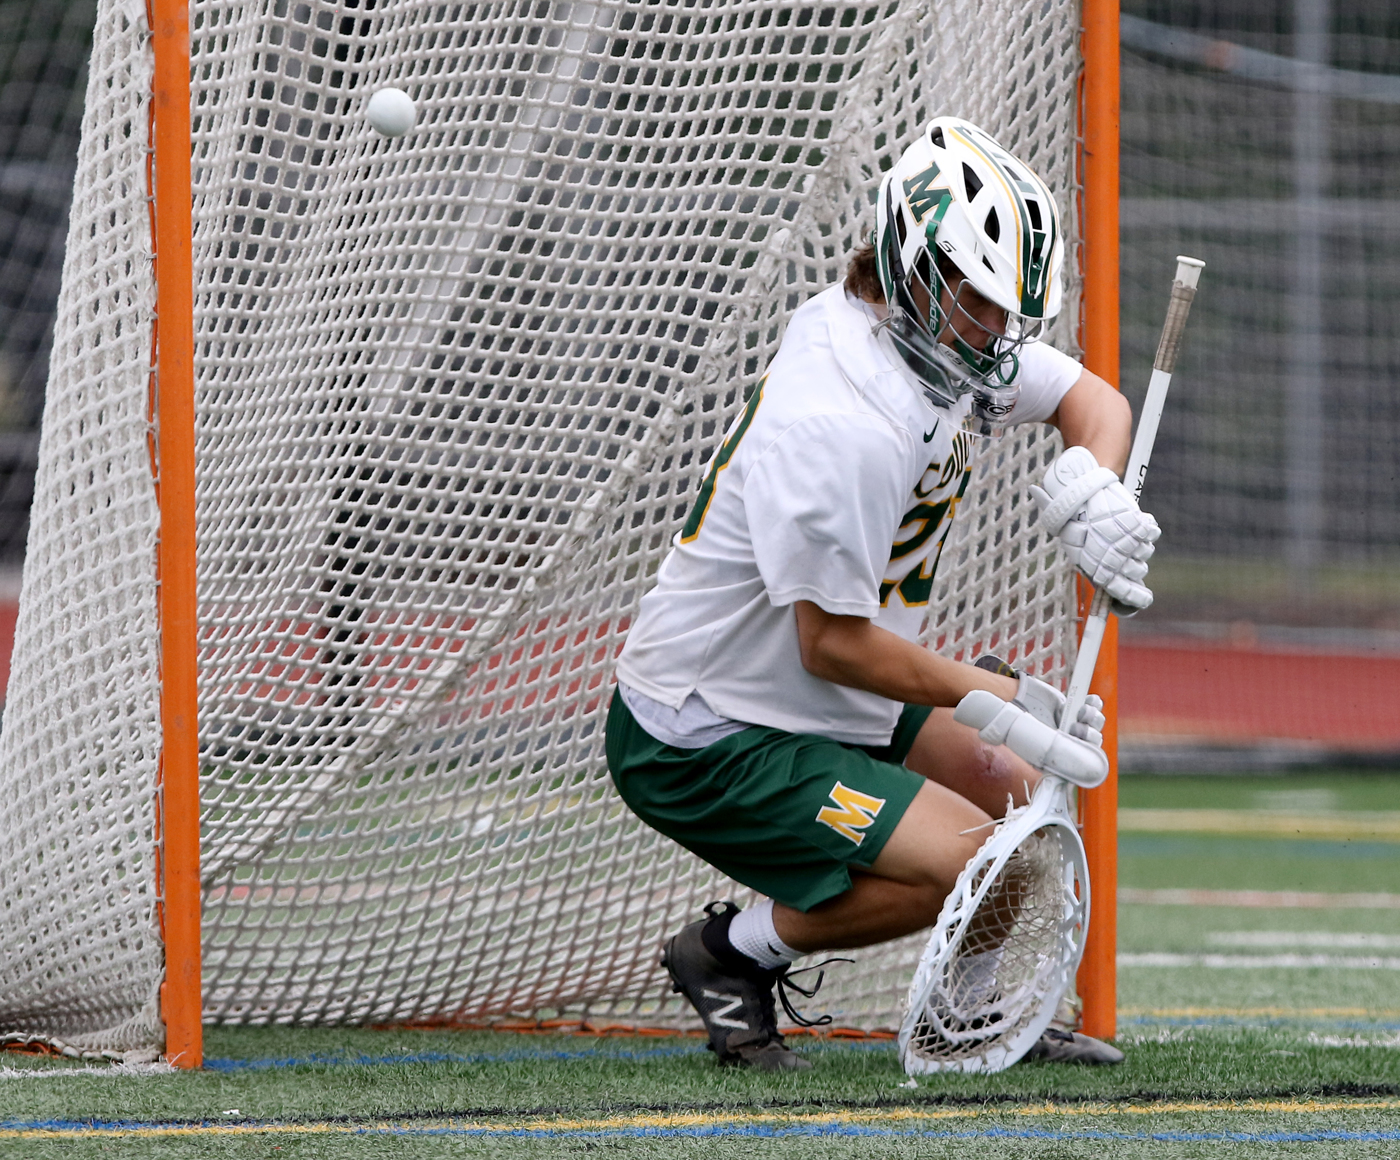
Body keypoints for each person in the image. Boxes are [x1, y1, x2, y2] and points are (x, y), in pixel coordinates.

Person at [605, 117, 1159, 1072]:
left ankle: (970, 1012)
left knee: (1030, 802)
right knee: (985, 854)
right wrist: (1005, 700)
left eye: (1007, 310)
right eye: (981, 303)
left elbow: (1095, 404)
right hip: (709, 729)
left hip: (820, 691)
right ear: (915, 267)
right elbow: (834, 645)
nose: (1000, 334)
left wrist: (1092, 491)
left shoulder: (931, 335)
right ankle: (729, 955)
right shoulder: (844, 419)